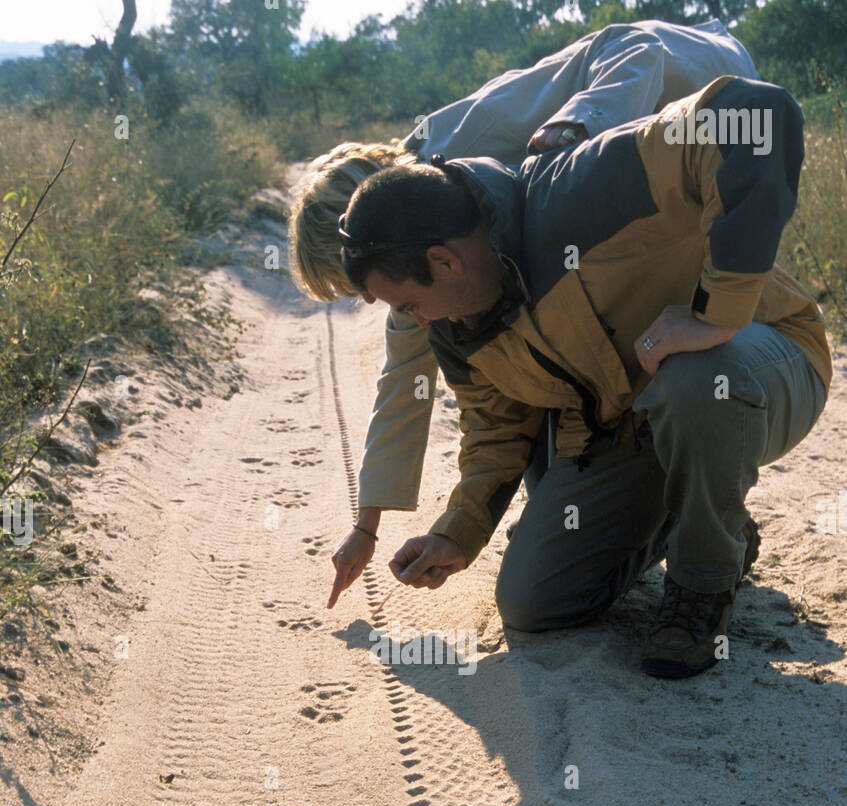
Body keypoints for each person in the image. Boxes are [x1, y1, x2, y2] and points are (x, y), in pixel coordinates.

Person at [339, 74, 831, 679]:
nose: (414, 322)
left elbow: (755, 113)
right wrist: (457, 534)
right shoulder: (455, 321)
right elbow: (496, 432)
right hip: (639, 427)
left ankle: (703, 583)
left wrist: (716, 313)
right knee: (532, 600)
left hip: (768, 361)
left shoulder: (583, 189)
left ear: (444, 260)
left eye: (408, 304)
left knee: (696, 381)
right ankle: (697, 516)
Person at [287, 20, 760, 608]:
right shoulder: (409, 258)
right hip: (662, 213)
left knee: (694, 354)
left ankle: (704, 519)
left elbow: (634, 45)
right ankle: (648, 508)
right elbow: (403, 384)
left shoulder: (467, 141)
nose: (365, 298)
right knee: (551, 426)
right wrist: (368, 527)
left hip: (714, 93)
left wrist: (585, 126)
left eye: (354, 280)